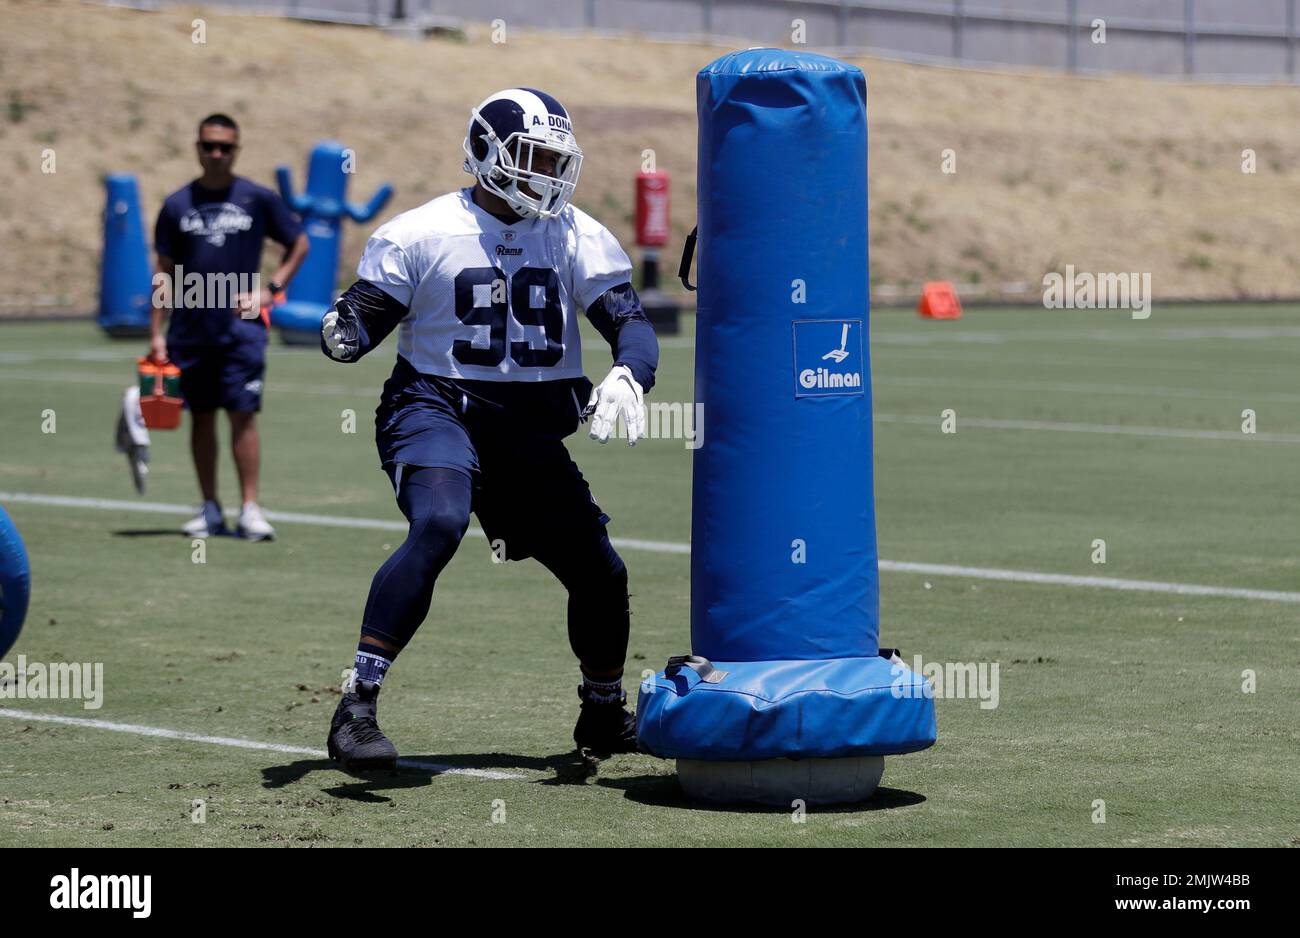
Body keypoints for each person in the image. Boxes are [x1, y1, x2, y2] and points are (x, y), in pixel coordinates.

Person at [320, 88, 658, 768]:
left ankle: (601, 712)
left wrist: (628, 374)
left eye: (556, 160)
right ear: (485, 151)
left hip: (528, 432)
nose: (548, 173)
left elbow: (630, 323)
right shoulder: (422, 232)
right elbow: (364, 316)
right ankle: (357, 702)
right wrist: (345, 330)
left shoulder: (576, 234)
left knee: (600, 572)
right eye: (532, 156)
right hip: (437, 405)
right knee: (440, 522)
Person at [151, 113, 309, 540]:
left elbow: (299, 242)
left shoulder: (257, 198)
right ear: (197, 148)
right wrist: (156, 333)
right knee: (201, 417)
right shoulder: (176, 204)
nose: (216, 154)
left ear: (236, 150)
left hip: (242, 330)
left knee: (243, 416)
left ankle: (250, 510)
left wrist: (271, 289)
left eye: (225, 147)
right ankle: (209, 509)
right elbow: (163, 271)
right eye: (209, 146)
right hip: (190, 331)